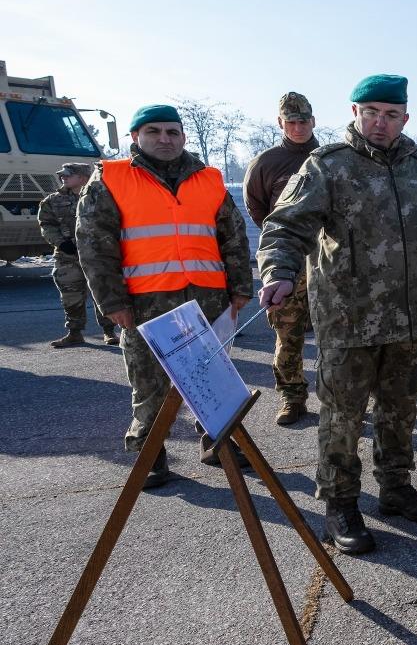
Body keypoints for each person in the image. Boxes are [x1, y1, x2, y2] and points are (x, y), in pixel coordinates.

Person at [258, 74, 417, 555]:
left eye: (390, 115)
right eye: (371, 113)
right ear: (354, 114)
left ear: (405, 118)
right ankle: (340, 502)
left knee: (400, 408)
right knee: (343, 415)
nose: (380, 123)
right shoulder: (328, 167)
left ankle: (395, 486)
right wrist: (278, 271)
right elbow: (284, 224)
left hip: (407, 320)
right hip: (348, 319)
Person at [76, 104, 253, 488]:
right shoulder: (111, 179)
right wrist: (113, 303)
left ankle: (219, 442)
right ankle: (149, 451)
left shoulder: (208, 179)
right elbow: (94, 247)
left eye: (172, 132)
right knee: (149, 379)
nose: (164, 138)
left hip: (207, 298)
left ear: (183, 137)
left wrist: (240, 288)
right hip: (144, 302)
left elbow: (233, 237)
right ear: (135, 137)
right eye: (153, 131)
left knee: (213, 375)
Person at [243, 92, 320, 426]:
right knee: (288, 334)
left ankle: (338, 398)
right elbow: (258, 209)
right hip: (286, 262)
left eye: (304, 120)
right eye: (292, 121)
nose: (299, 127)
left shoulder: (329, 157)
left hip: (327, 262)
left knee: (336, 337)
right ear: (280, 123)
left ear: (313, 121)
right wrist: (284, 246)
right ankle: (292, 396)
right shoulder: (265, 163)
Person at [38, 162, 118, 347]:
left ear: (82, 177)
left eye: (68, 175)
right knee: (70, 295)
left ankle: (109, 331)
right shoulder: (52, 201)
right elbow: (46, 225)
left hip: (98, 254)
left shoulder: (100, 197)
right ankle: (74, 333)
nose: (63, 177)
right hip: (68, 256)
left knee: (104, 291)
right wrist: (60, 242)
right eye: (62, 175)